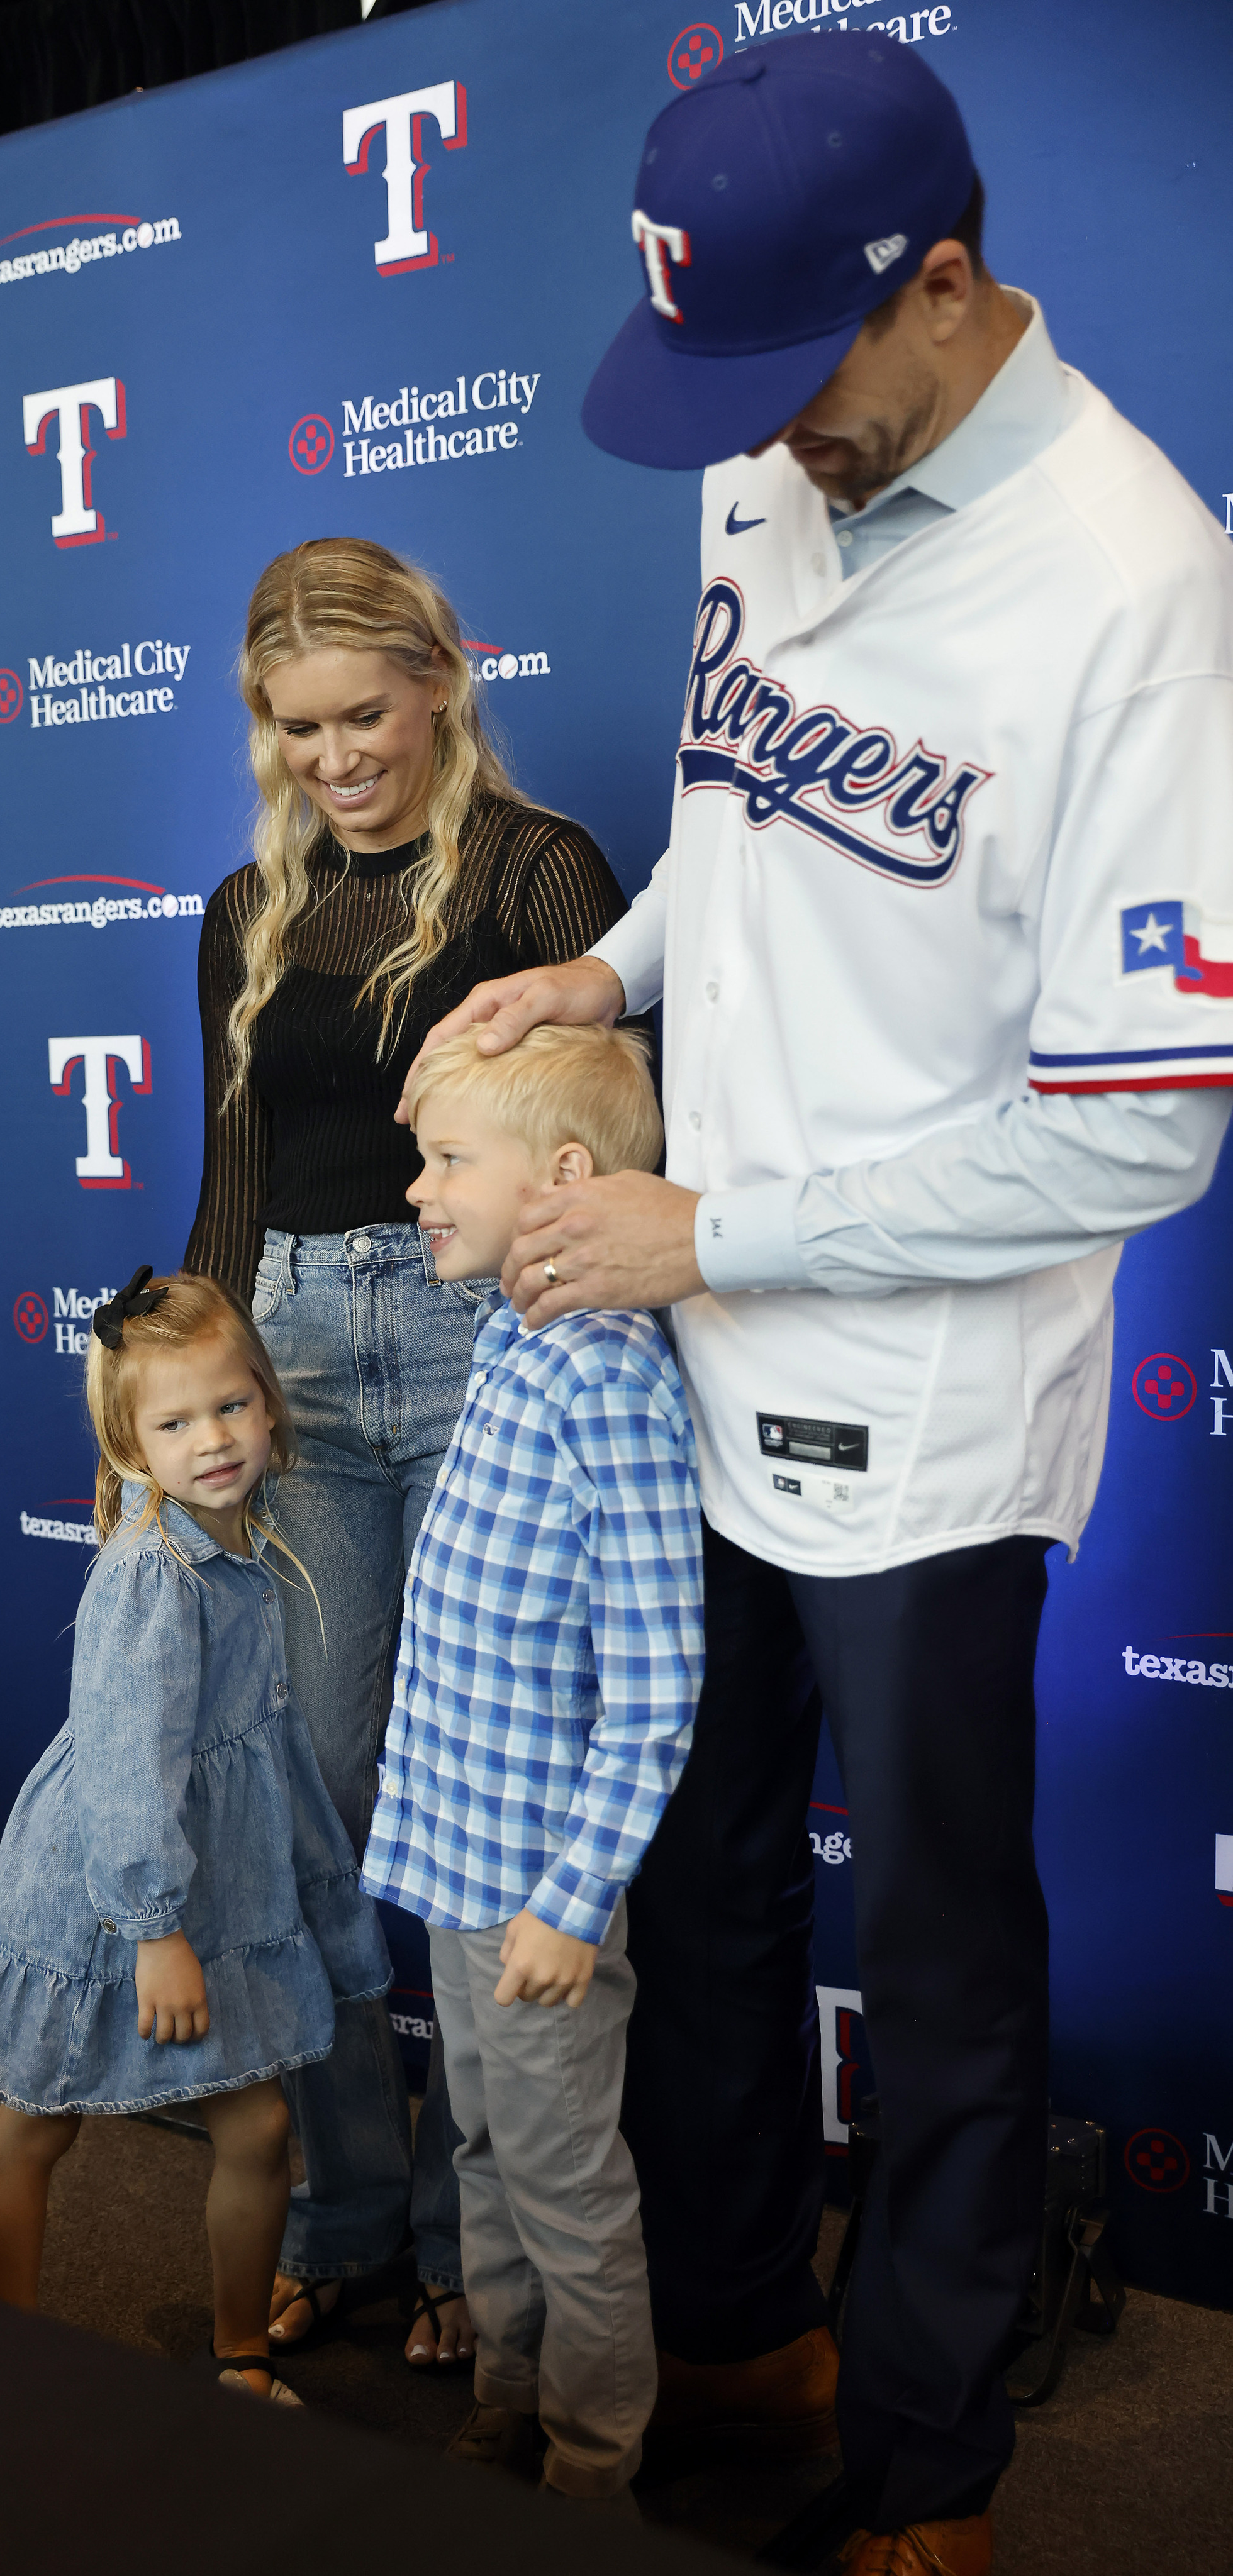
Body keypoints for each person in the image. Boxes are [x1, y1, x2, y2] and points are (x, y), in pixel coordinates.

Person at [400, 36, 1233, 2575]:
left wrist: (716, 1233)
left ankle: (932, 2470)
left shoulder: (1135, 585)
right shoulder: (774, 445)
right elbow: (744, 822)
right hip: (696, 1336)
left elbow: (1136, 1127)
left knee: (943, 1958)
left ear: (942, 287)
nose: (763, 438)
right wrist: (611, 977)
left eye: (795, 377)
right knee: (703, 1876)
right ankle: (743, 2322)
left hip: (915, 1394)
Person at [184, 538, 628, 2365]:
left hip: (487, 1346)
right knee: (316, 1797)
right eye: (297, 729)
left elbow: (608, 1150)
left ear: (440, 680)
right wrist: (182, 1391)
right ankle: (347, 2213)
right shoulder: (247, 904)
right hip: (291, 1350)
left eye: (363, 714)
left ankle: (475, 2249)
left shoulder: (540, 871)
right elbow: (235, 1170)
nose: (335, 757)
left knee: (479, 1810)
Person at [0, 1268, 389, 2406]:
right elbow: (130, 1770)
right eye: (176, 1423)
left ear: (269, 1402)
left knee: (259, 2125)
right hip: (113, 1897)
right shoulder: (152, 1574)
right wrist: (152, 1929)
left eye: (230, 1406)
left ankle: (241, 2359)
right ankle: (1, 2349)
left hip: (219, 1887)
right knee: (36, 2125)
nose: (213, 1440)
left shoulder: (247, 1542)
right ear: (130, 1446)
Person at [362, 1024, 705, 2507]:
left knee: (566, 2185)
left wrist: (574, 1899)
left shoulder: (610, 1382)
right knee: (483, 2146)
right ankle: (508, 2393)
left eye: (449, 1159)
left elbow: (655, 1685)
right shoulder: (506, 1343)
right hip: (458, 1864)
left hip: (537, 1898)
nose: (418, 1189)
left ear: (563, 1176)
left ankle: (592, 2460)